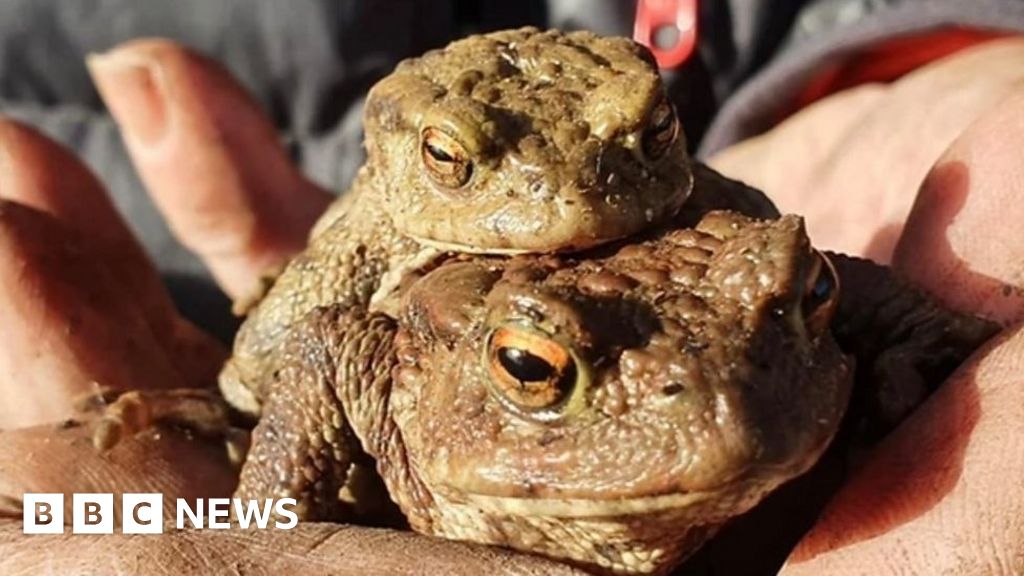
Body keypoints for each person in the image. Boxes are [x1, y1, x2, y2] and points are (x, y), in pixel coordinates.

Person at [1, 1, 1023, 573]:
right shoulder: (370, 299)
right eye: (533, 370)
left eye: (798, 310)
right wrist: (263, 504)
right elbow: (319, 339)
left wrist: (900, 54)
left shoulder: (716, 219)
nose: (704, 407)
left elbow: (799, 259)